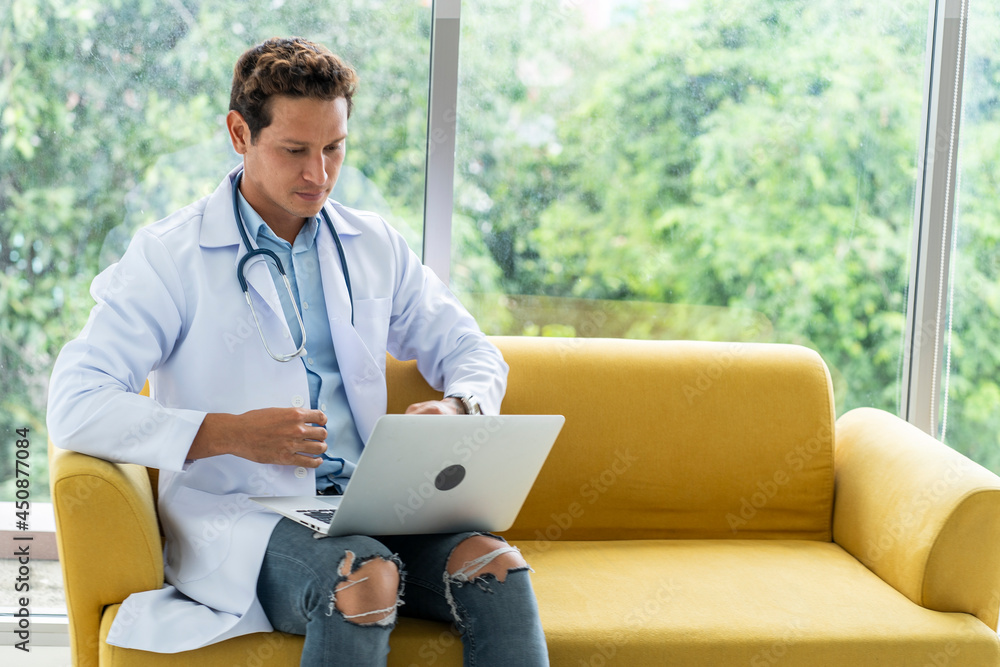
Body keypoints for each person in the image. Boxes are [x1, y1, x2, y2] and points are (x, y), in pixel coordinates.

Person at [47, 36, 548, 665]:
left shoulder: (372, 244)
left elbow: (470, 348)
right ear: (240, 133)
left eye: (333, 148)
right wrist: (229, 433)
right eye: (294, 151)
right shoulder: (169, 257)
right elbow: (75, 404)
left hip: (375, 508)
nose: (319, 174)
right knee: (363, 578)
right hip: (244, 517)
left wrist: (460, 407)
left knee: (496, 567)